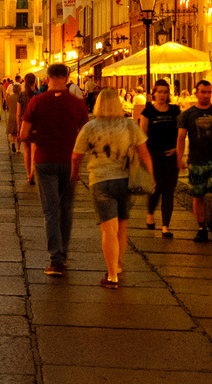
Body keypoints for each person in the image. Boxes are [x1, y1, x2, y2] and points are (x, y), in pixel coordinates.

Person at [74, 88, 153, 287]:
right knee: (122, 227)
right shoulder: (129, 125)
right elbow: (144, 153)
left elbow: (76, 155)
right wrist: (151, 176)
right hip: (125, 181)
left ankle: (112, 276)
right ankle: (117, 263)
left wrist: (74, 174)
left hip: (100, 181)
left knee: (108, 230)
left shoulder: (90, 127)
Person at [21, 63, 89, 276]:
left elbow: (23, 134)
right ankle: (64, 253)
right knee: (66, 208)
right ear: (67, 77)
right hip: (69, 160)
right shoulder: (78, 104)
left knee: (50, 210)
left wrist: (39, 138)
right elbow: (85, 135)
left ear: (48, 78)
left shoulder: (37, 101)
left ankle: (55, 259)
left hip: (45, 159)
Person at [177, 80, 212, 242]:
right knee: (199, 195)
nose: (206, 96)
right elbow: (181, 137)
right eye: (203, 92)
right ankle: (201, 227)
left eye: (209, 92)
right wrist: (179, 158)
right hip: (197, 160)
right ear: (196, 93)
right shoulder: (188, 114)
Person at [137, 79, 181, 237]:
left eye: (165, 92)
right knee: (157, 187)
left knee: (169, 190)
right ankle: (150, 213)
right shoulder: (148, 112)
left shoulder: (175, 111)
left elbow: (181, 133)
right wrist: (145, 157)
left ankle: (165, 227)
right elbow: (142, 135)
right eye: (159, 92)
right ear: (154, 93)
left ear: (168, 94)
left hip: (171, 154)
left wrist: (177, 149)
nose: (162, 95)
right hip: (154, 155)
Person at [19, 72, 41, 184]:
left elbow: (18, 113)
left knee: (26, 150)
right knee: (33, 150)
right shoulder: (38, 95)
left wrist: (19, 126)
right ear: (34, 81)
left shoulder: (21, 95)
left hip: (24, 123)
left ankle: (28, 174)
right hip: (35, 124)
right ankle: (32, 174)